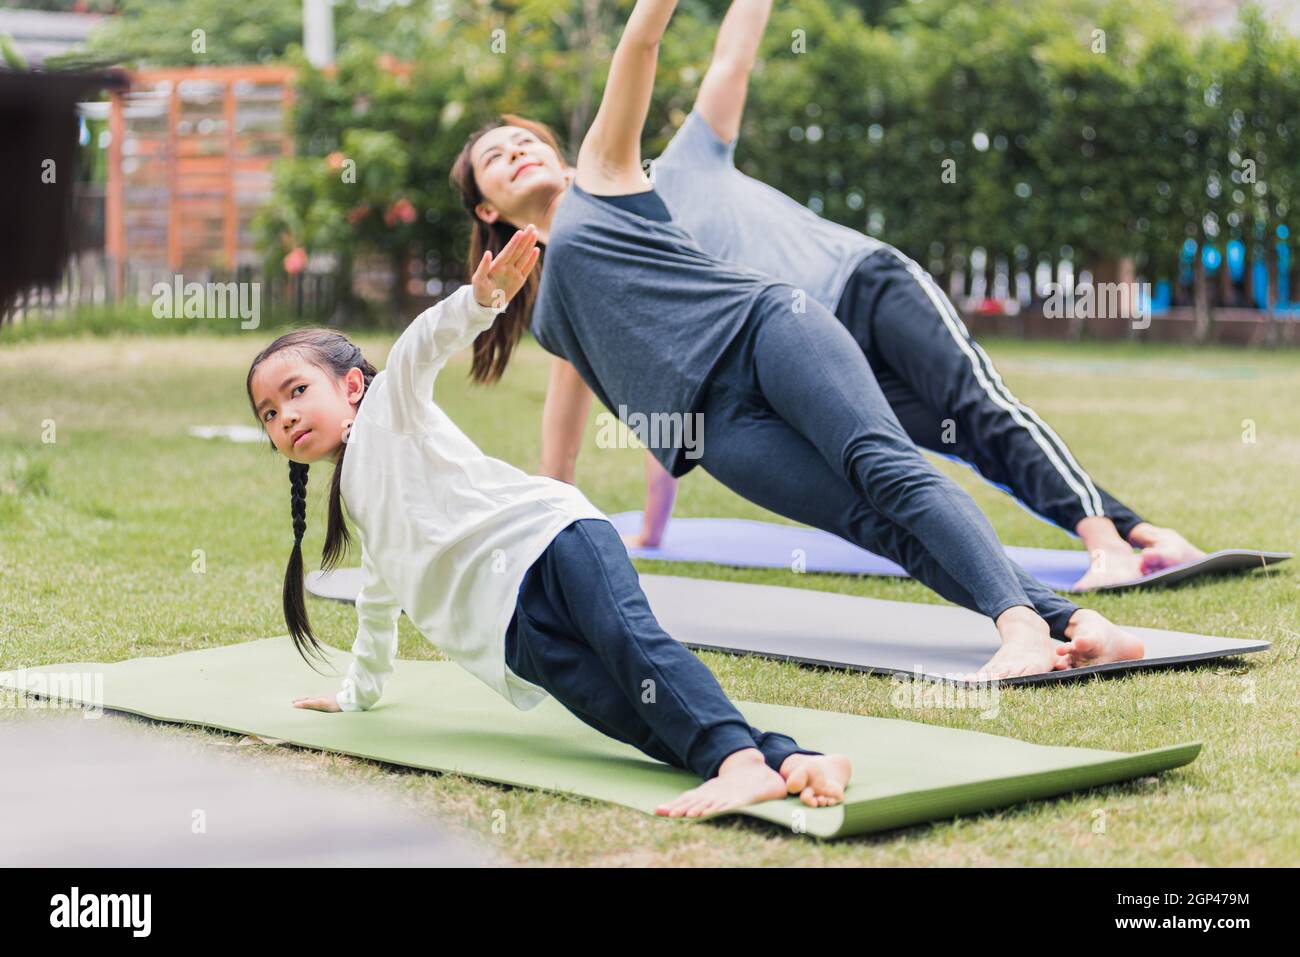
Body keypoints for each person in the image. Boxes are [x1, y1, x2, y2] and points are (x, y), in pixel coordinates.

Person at [448, 0, 1144, 679]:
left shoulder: (603, 172)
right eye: (495, 158)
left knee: (882, 466)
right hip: (716, 432)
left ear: (556, 152)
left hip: (768, 330)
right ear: (486, 207)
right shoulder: (549, 316)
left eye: (524, 142)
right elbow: (558, 462)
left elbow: (640, 43)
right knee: (874, 525)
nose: (516, 153)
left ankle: (1017, 626)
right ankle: (1073, 623)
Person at [246, 225, 851, 817]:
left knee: (633, 647)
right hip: (511, 633)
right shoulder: (359, 500)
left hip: (548, 540)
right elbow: (378, 604)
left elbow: (422, 342)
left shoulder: (390, 406)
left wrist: (482, 300)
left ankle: (741, 767)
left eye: (298, 391)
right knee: (623, 710)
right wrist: (356, 695)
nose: (287, 417)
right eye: (270, 414)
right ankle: (790, 759)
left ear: (351, 386)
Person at [624, 0, 1206, 591]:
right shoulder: (642, 279)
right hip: (820, 361)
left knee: (978, 405)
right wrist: (649, 532)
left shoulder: (683, 166)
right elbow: (672, 400)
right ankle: (1143, 534)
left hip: (865, 286)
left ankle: (1105, 542)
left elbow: (733, 58)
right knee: (972, 441)